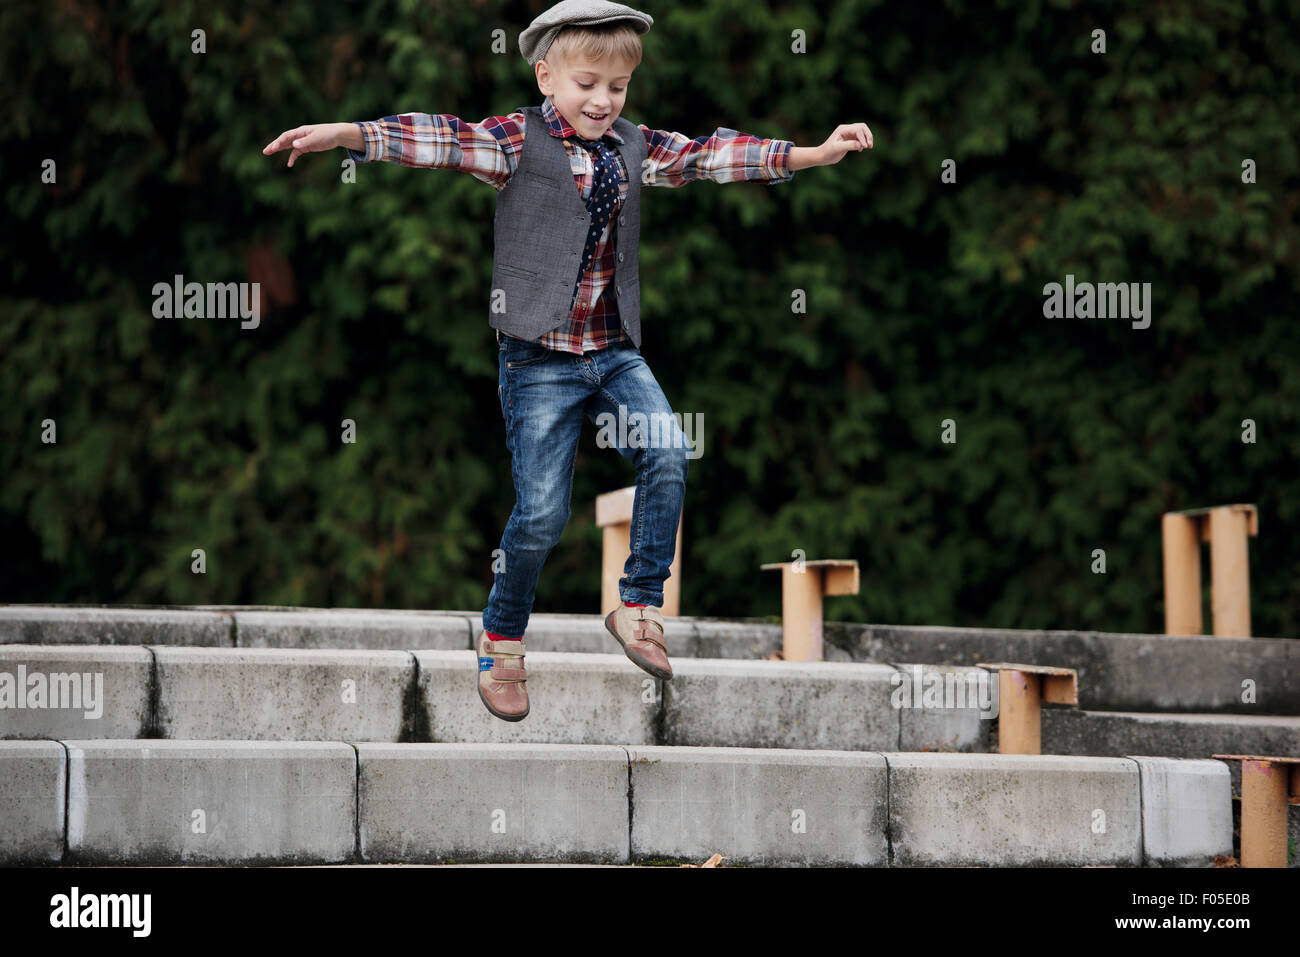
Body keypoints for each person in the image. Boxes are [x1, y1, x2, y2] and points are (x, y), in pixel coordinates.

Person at [263, 0, 872, 722]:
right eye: (587, 84)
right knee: (544, 513)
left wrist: (813, 152)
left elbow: (712, 156)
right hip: (538, 361)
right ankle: (503, 639)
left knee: (670, 450)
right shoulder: (516, 142)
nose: (602, 101)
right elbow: (443, 139)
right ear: (547, 76)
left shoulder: (636, 146)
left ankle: (639, 604)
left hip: (613, 351)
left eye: (616, 88)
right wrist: (350, 136)